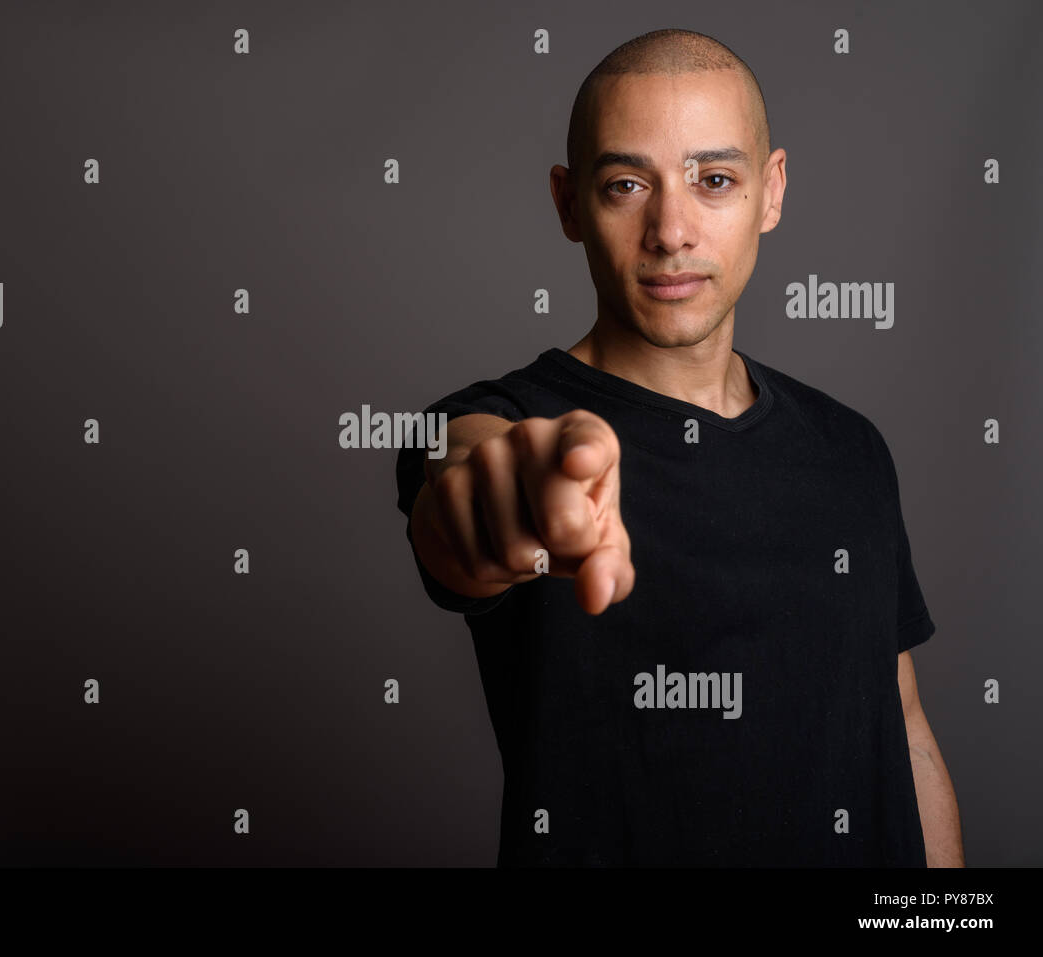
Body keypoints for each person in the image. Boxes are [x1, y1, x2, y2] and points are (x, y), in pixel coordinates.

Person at [393, 28, 964, 867]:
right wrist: (500, 498)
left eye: (714, 180)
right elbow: (464, 488)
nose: (670, 229)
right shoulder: (498, 424)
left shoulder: (852, 447)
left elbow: (902, 723)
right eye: (626, 184)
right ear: (567, 204)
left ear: (771, 192)